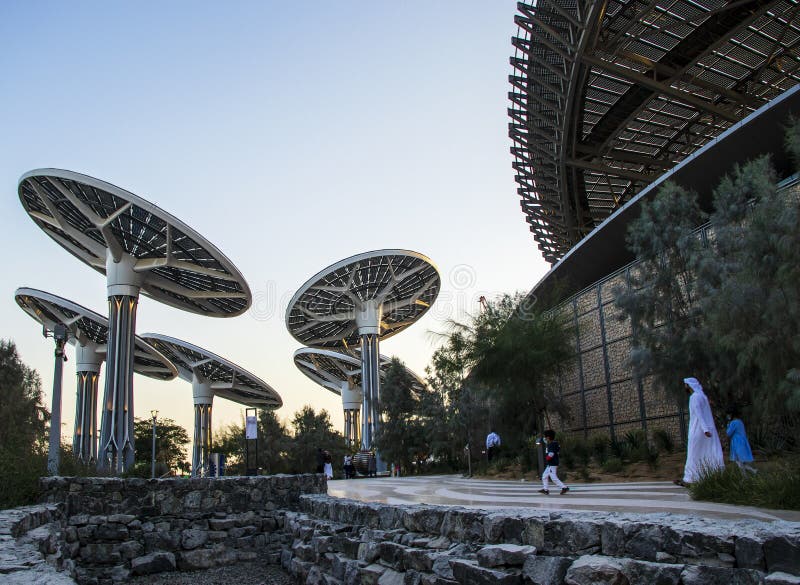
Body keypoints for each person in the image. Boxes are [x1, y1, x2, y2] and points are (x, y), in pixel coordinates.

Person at [677, 377, 724, 486]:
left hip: (698, 430)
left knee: (693, 454)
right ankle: (711, 475)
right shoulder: (703, 397)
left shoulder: (694, 397)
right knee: (709, 452)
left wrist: (705, 429)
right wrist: (707, 429)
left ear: (689, 385)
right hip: (707, 430)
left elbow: (699, 414)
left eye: (686, 384)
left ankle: (690, 479)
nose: (685, 387)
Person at [538, 429, 569, 495]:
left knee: (553, 477)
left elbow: (551, 454)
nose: (545, 438)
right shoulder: (555, 443)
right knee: (544, 476)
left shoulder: (551, 445)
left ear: (548, 437)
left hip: (552, 463)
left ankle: (564, 487)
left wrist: (547, 458)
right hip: (552, 463)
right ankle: (545, 489)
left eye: (545, 437)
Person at [726, 408, 756, 473]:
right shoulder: (740, 421)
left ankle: (749, 474)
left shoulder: (733, 423)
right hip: (743, 442)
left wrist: (728, 425)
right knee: (741, 461)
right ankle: (751, 472)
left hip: (737, 443)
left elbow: (728, 433)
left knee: (739, 461)